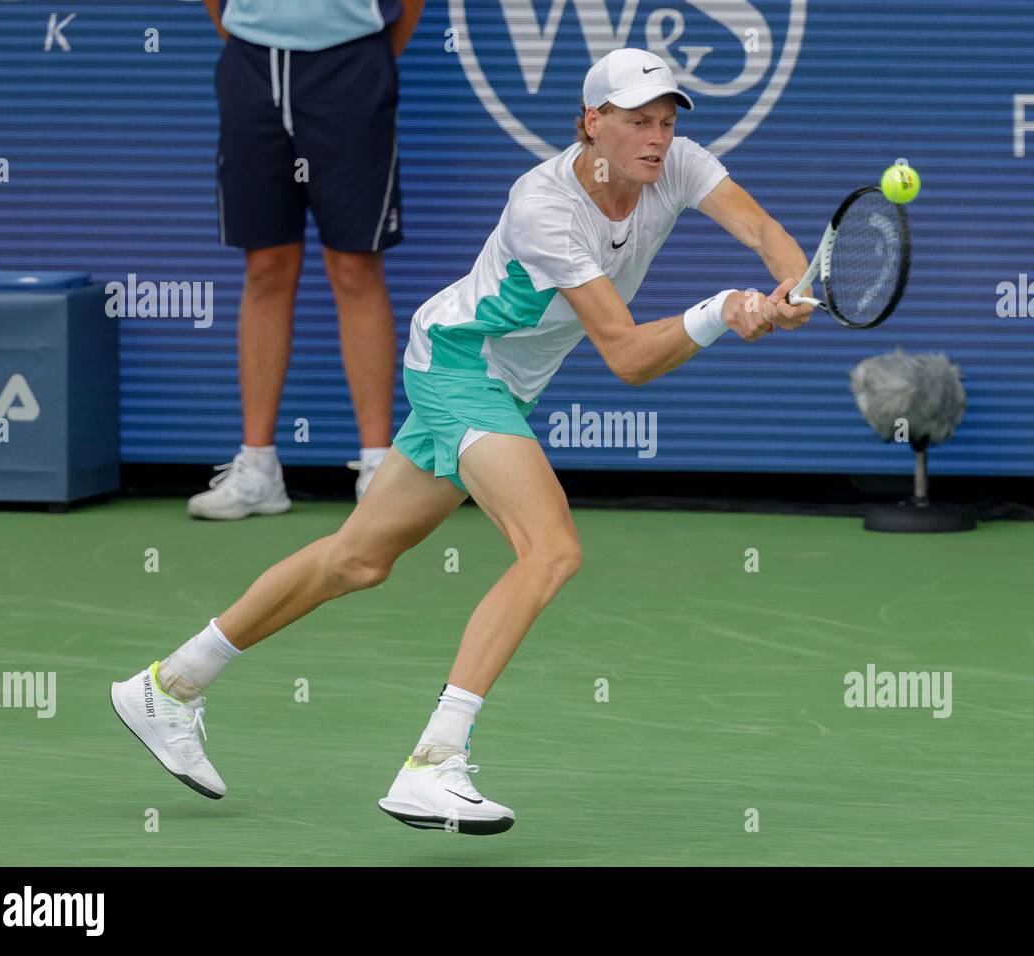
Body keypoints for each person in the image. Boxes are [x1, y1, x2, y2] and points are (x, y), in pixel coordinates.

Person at [112, 48, 813, 834]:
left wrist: (792, 290)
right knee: (551, 550)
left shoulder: (677, 165)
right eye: (637, 120)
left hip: (503, 383)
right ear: (592, 124)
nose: (657, 137)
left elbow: (759, 227)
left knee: (358, 559)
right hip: (459, 366)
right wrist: (725, 311)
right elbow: (624, 356)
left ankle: (169, 684)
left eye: (665, 121)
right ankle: (433, 763)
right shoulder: (544, 206)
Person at [189, 0, 426, 518]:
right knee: (266, 266)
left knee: (356, 266)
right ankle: (258, 468)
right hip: (252, 64)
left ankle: (377, 466)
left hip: (354, 64)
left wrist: (369, 52)